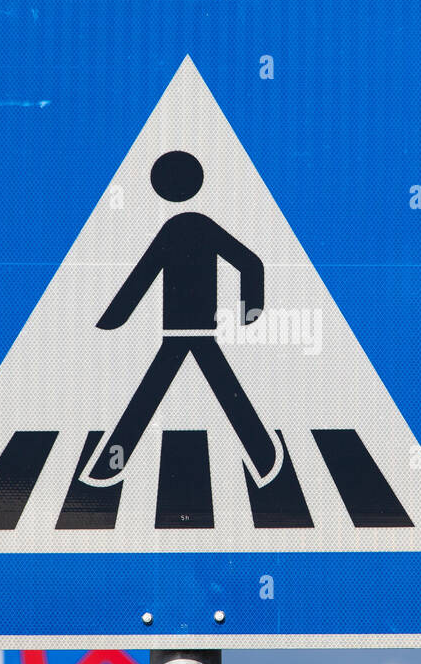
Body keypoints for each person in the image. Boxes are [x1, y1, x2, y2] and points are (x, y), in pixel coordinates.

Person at [84, 151, 281, 485]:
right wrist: (250, 311)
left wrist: (115, 318)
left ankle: (109, 464)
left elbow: (142, 276)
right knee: (191, 389)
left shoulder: (180, 227)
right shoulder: (194, 226)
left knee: (154, 393)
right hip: (192, 328)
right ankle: (264, 457)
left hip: (185, 328)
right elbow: (250, 263)